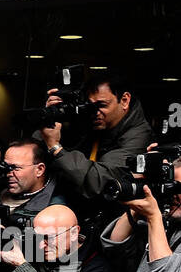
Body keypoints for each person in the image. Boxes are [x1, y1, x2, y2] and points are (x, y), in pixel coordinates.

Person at [41, 72, 154, 202]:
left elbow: (97, 181)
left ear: (124, 100)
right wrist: (53, 116)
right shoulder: (94, 123)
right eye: (90, 106)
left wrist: (55, 147)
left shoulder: (139, 136)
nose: (94, 112)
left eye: (102, 105)